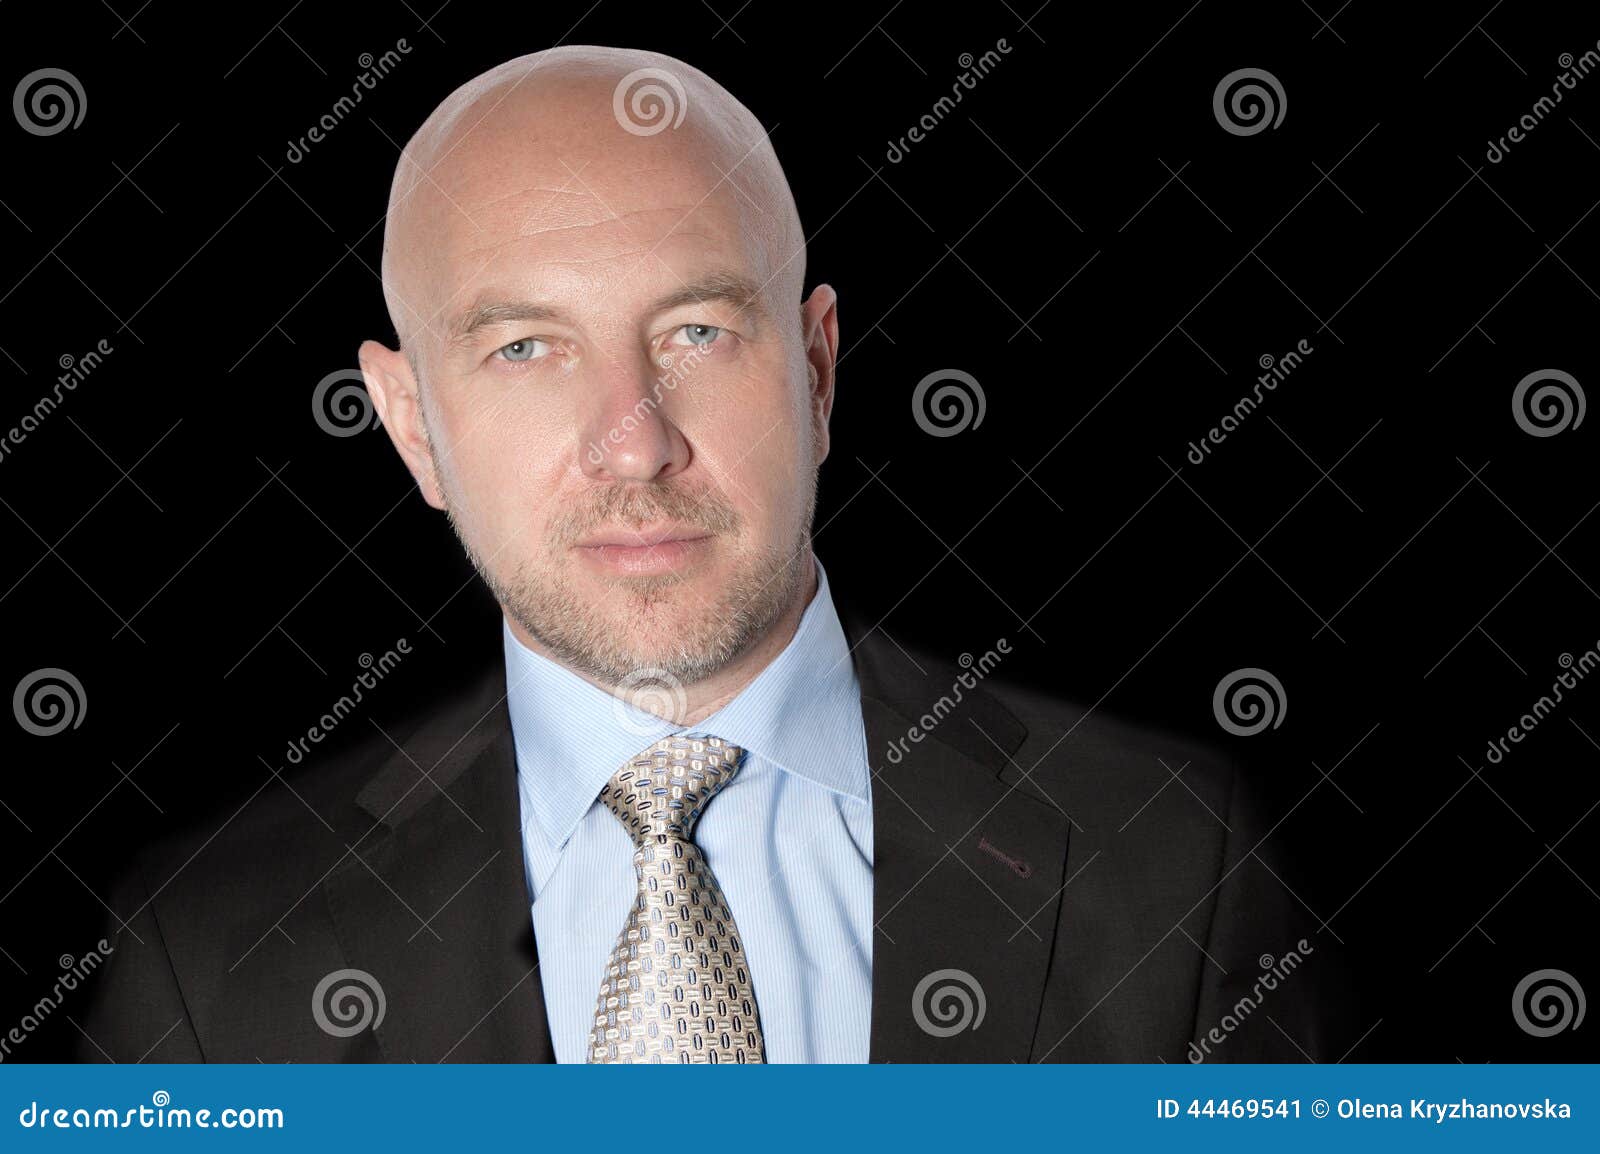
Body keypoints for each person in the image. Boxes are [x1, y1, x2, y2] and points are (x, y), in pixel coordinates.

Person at [77, 45, 1354, 1063]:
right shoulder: (205, 951)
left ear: (815, 369)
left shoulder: (1175, 858)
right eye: (524, 348)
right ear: (414, 425)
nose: (635, 445)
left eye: (695, 330)